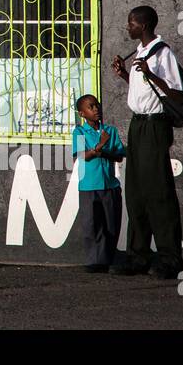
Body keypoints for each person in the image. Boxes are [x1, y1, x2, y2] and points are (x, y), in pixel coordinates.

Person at [111, 5, 183, 278]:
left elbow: (176, 94)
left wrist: (152, 74)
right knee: (136, 191)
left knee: (158, 192)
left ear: (142, 26)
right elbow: (144, 92)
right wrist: (125, 76)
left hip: (155, 126)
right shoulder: (140, 53)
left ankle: (170, 258)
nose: (128, 28)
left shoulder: (162, 53)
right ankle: (138, 255)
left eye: (131, 23)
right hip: (138, 124)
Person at [72, 94, 125, 273]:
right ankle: (95, 260)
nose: (96, 110)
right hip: (89, 185)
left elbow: (119, 155)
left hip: (110, 185)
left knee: (111, 224)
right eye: (91, 107)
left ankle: (107, 259)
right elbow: (81, 156)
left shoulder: (110, 130)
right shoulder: (79, 132)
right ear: (82, 113)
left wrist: (104, 150)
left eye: (97, 106)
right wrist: (99, 147)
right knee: (92, 224)